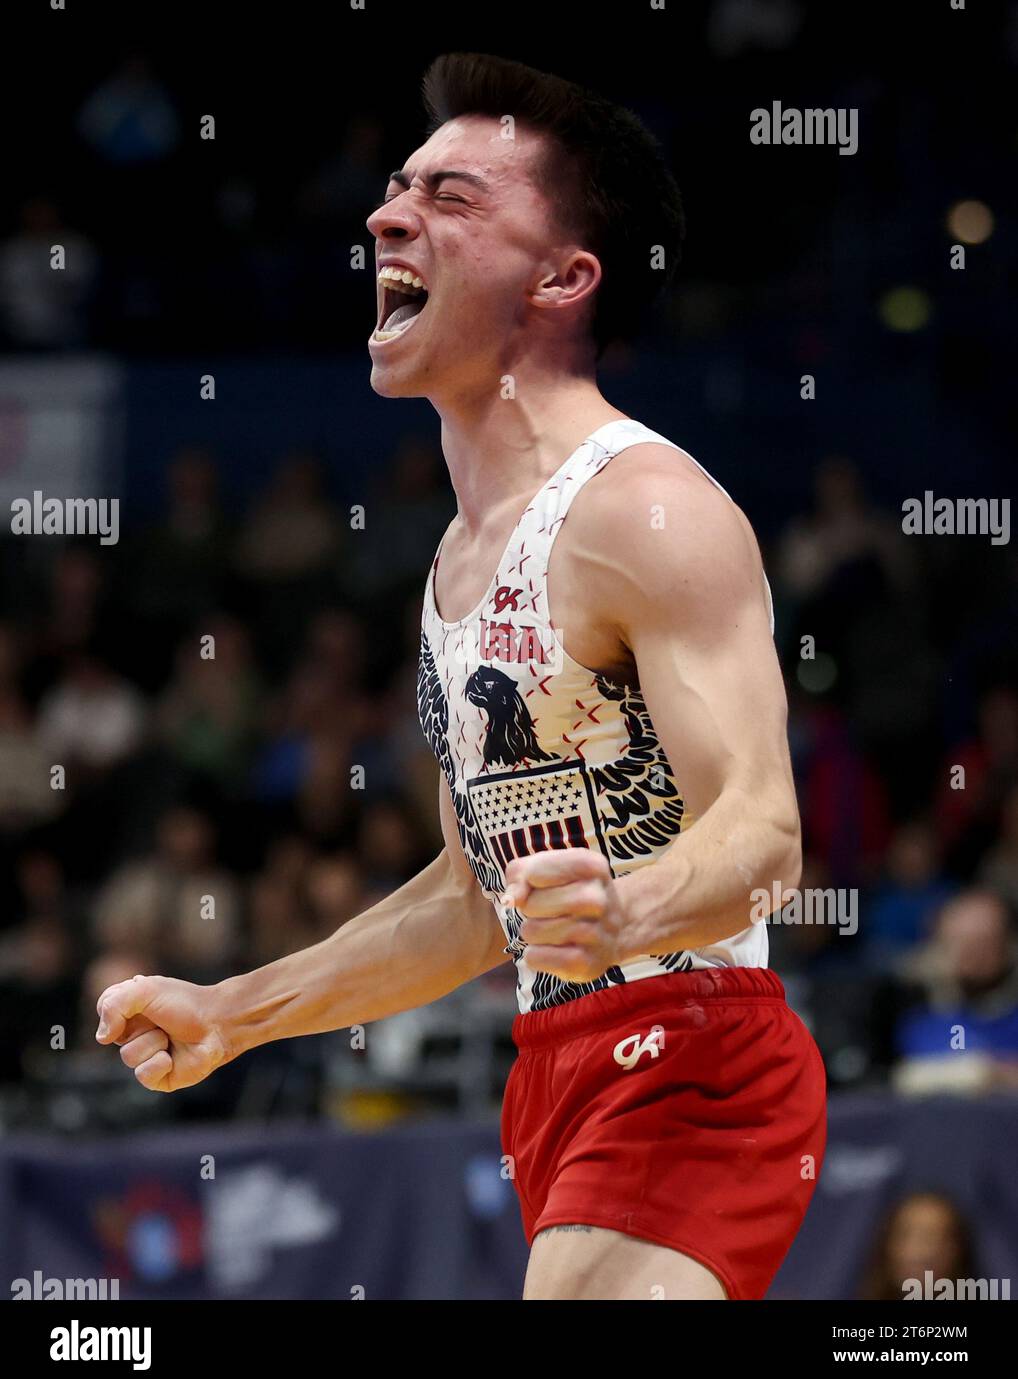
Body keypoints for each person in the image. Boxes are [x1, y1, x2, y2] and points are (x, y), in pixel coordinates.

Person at [96, 53, 826, 1301]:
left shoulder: (648, 508)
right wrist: (238, 1012)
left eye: (452, 197)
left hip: (695, 1059)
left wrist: (630, 908)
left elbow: (763, 834)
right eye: (395, 188)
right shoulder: (452, 565)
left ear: (561, 277)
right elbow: (471, 902)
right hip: (552, 1067)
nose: (387, 216)